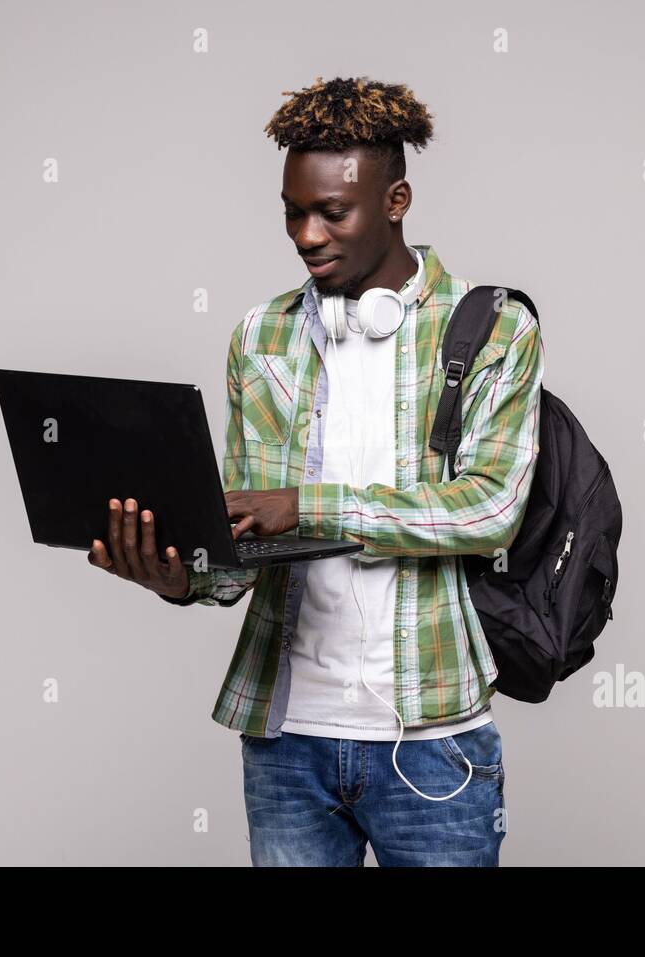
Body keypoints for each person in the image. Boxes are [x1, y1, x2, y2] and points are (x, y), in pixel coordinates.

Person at [87, 76, 544, 866]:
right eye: (293, 211)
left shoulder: (493, 326)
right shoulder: (262, 337)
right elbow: (240, 554)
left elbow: (487, 509)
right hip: (287, 739)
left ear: (397, 198)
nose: (307, 233)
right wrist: (174, 570)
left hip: (432, 741)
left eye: (333, 211)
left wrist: (307, 504)